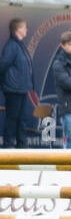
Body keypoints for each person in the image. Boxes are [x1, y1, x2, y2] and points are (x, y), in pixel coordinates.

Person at [1, 18, 34, 148]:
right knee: (12, 119)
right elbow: (3, 65)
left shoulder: (19, 44)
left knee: (22, 119)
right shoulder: (11, 46)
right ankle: (8, 146)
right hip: (13, 89)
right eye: (25, 27)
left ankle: (22, 145)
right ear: (18, 29)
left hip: (21, 89)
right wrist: (6, 83)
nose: (27, 30)